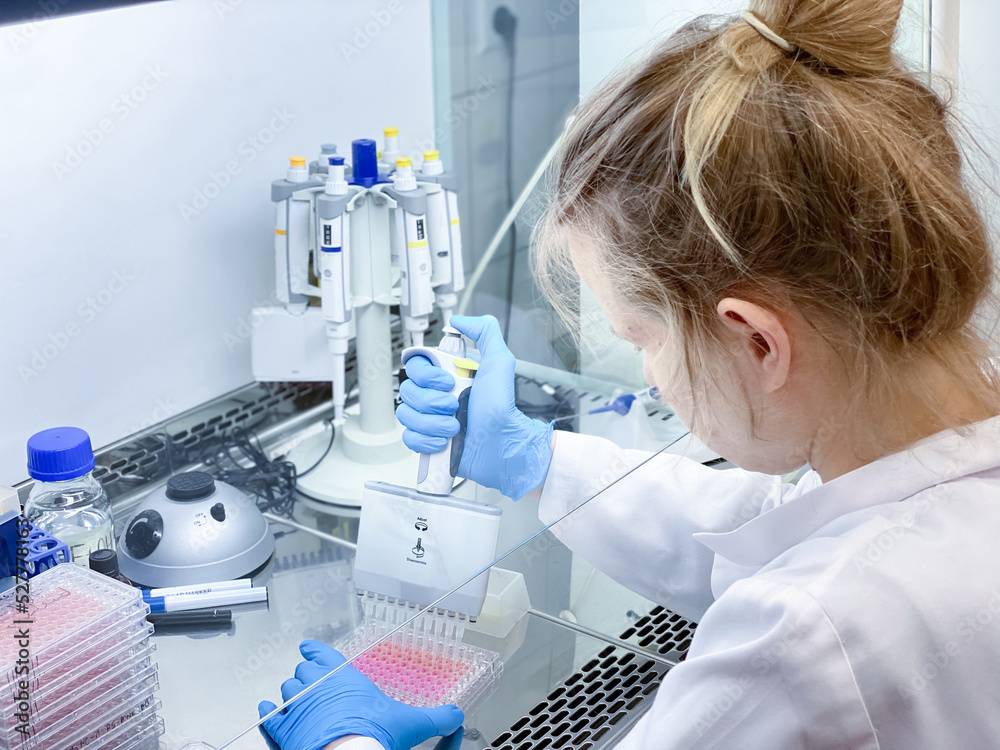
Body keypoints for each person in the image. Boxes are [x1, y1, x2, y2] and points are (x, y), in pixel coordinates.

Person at [259, 0, 1000, 746]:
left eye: (641, 339)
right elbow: (765, 528)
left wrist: (341, 743)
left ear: (758, 343)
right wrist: (537, 458)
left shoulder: (802, 642)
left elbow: (806, 601)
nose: (650, 380)